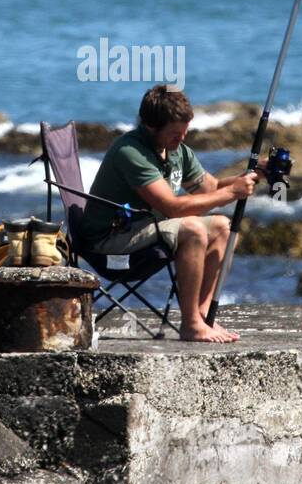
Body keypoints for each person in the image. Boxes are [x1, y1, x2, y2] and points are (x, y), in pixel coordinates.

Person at [80, 84, 261, 344]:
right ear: (151, 127)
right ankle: (191, 326)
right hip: (110, 241)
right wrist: (234, 193)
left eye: (186, 130)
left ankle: (202, 313)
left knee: (222, 226)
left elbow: (211, 188)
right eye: (176, 133)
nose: (182, 139)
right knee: (192, 228)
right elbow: (172, 208)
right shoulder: (131, 152)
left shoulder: (176, 149)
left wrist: (253, 177)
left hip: (147, 228)